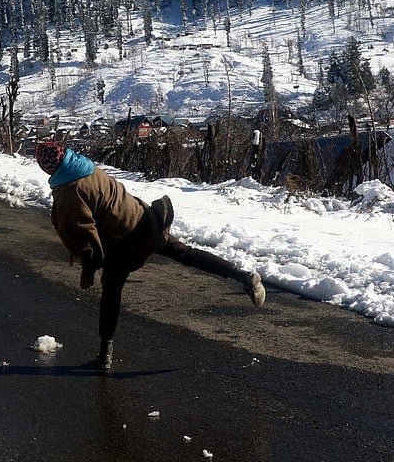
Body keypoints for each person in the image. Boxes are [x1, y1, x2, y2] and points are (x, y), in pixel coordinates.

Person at [35, 141, 265, 371]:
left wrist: (89, 267)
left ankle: (105, 355)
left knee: (111, 289)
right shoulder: (85, 167)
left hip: (126, 239)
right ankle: (244, 276)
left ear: (48, 168)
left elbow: (83, 233)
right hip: (146, 220)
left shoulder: (70, 189)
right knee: (185, 252)